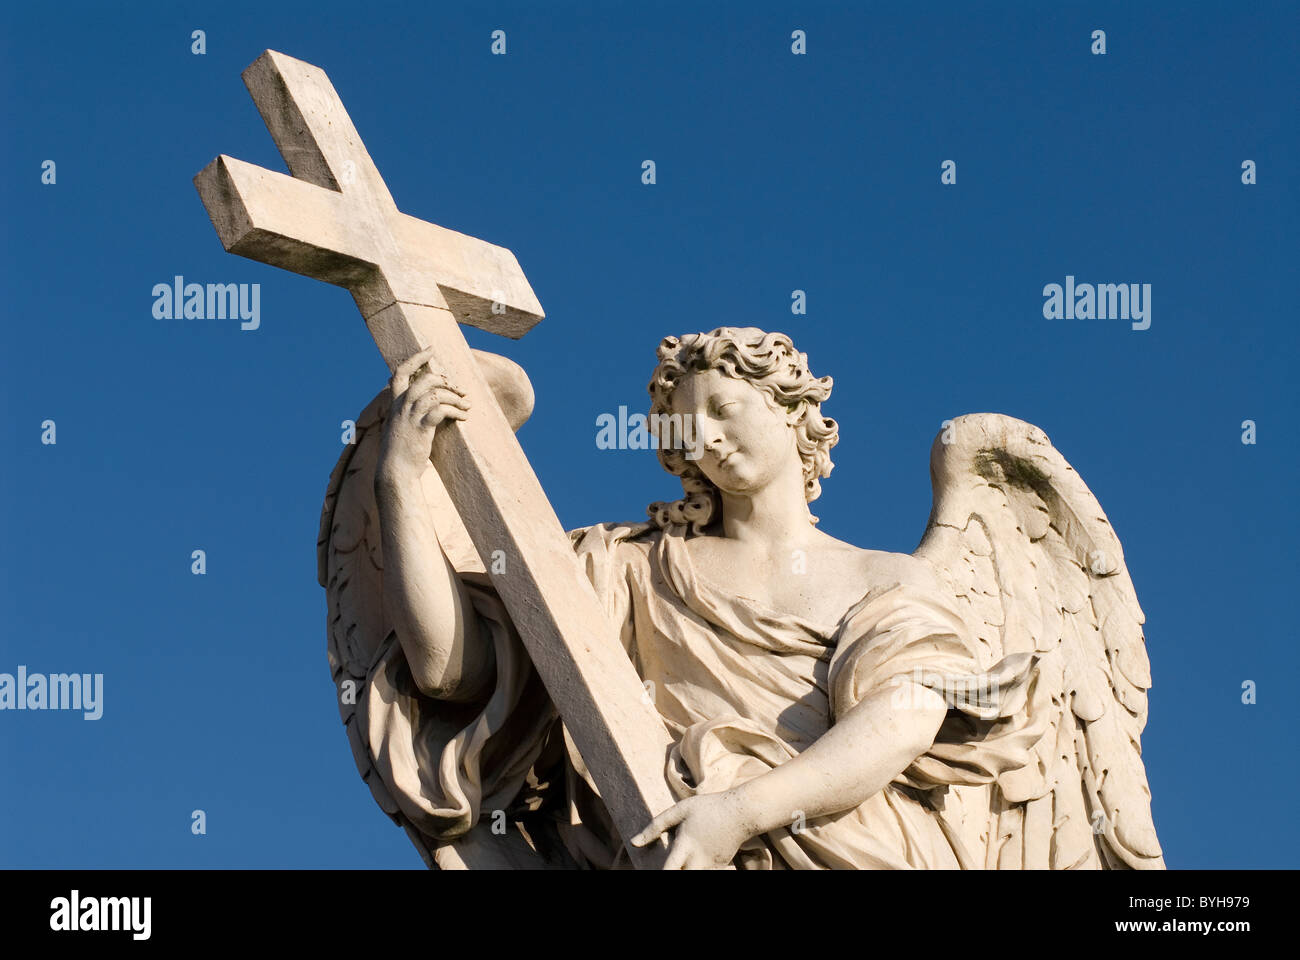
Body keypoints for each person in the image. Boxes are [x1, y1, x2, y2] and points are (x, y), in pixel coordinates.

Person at [369, 327, 1044, 869]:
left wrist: (741, 812)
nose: (710, 438)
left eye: (726, 410)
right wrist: (400, 483)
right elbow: (450, 671)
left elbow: (900, 724)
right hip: (665, 842)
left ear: (791, 412)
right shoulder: (629, 566)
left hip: (859, 846)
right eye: (691, 426)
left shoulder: (888, 579)